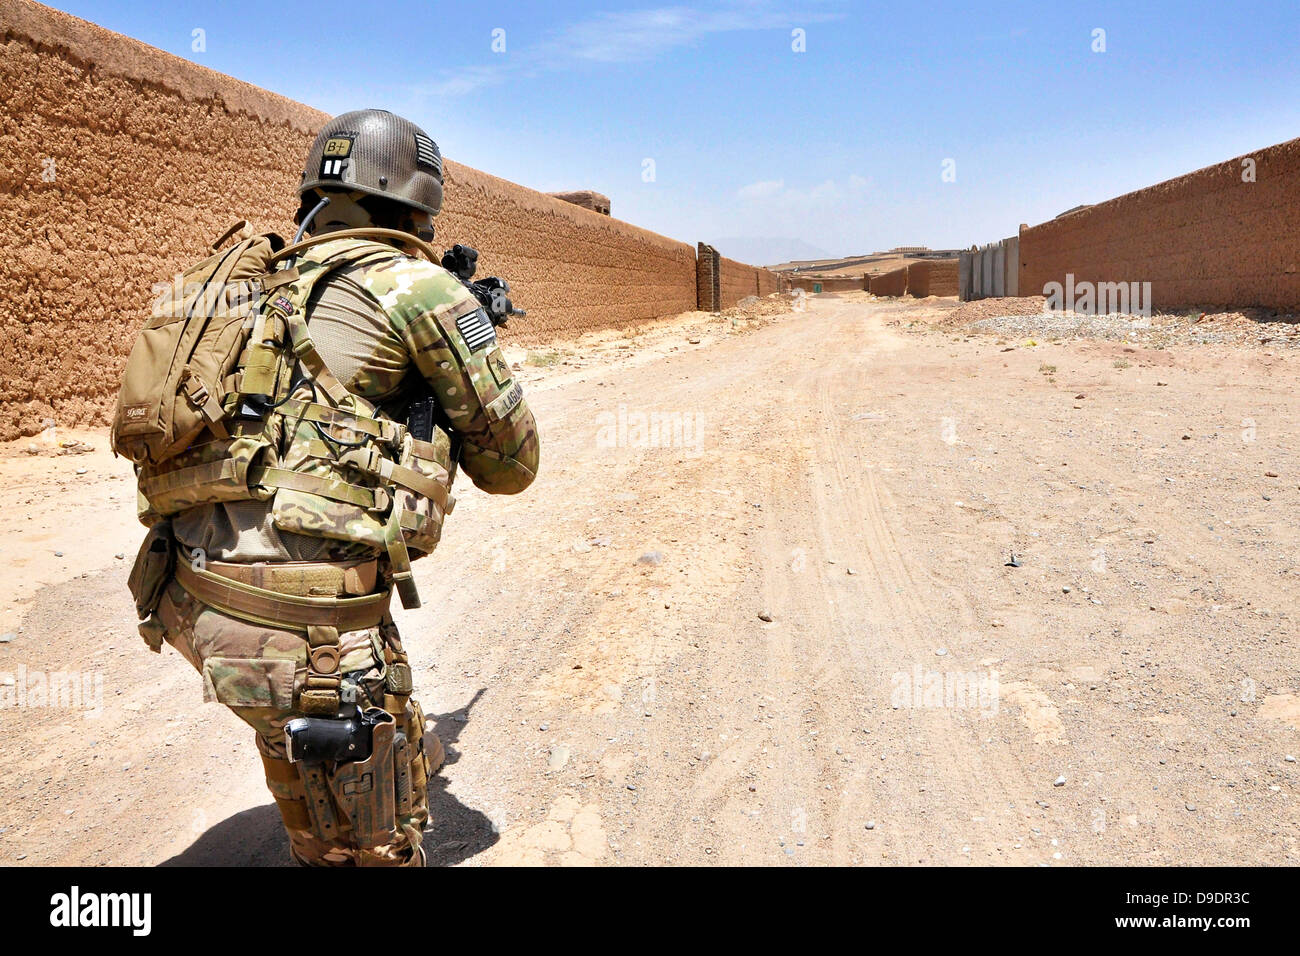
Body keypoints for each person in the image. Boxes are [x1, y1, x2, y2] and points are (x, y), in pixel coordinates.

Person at [138, 109, 539, 866]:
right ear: (419, 203)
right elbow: (513, 468)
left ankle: (316, 819)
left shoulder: (254, 285)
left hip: (188, 598)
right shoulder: (419, 288)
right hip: (303, 633)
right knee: (373, 850)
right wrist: (453, 357)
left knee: (313, 753)